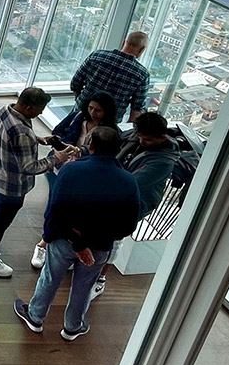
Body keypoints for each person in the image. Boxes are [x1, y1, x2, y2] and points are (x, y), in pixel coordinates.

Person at [14, 126, 140, 341]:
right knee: (84, 286)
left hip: (65, 239)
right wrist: (99, 239)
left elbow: (56, 210)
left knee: (50, 277)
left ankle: (35, 317)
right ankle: (73, 326)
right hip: (100, 246)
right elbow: (128, 226)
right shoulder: (128, 181)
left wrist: (72, 240)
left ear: (90, 145)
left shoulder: (71, 171)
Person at [0, 87, 79, 277]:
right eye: (40, 109)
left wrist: (37, 139)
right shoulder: (23, 133)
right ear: (29, 108)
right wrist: (57, 158)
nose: (41, 113)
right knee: (1, 222)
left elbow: (16, 137)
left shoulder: (5, 110)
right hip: (12, 187)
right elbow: (30, 167)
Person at [89, 111, 181, 298]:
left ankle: (100, 278)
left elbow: (131, 183)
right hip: (112, 195)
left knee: (114, 239)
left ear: (161, 136)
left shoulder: (163, 161)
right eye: (139, 136)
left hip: (133, 204)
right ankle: (89, 261)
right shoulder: (136, 136)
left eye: (146, 139)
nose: (140, 141)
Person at [30, 92, 119, 270]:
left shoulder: (110, 132)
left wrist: (81, 151)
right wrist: (63, 145)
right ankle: (44, 243)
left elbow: (105, 153)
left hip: (82, 172)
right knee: (54, 206)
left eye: (98, 110)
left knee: (70, 209)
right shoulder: (78, 116)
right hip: (60, 165)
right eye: (91, 107)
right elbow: (57, 131)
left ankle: (56, 244)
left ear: (107, 112)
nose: (93, 112)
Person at [70, 31, 151, 123]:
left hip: (81, 112)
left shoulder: (96, 56)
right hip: (108, 123)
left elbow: (75, 83)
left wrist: (80, 100)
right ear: (142, 50)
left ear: (124, 42)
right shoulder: (141, 74)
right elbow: (137, 108)